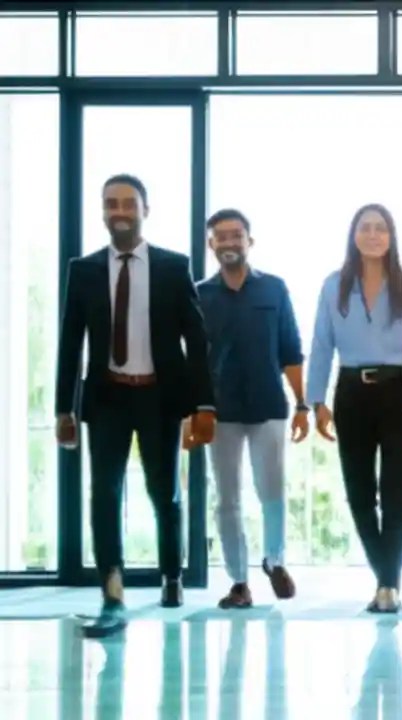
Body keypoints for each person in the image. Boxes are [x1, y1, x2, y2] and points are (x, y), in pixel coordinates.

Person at [55, 174, 217, 638]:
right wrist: (64, 410)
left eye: (128, 203)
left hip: (159, 397)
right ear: (102, 211)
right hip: (106, 398)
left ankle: (172, 575)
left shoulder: (172, 266)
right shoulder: (83, 270)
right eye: (111, 204)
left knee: (163, 492)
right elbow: (70, 343)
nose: (119, 211)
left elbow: (196, 339)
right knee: (103, 493)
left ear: (146, 210)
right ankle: (113, 590)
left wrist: (203, 404)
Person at [197, 208, 306, 609]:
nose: (229, 242)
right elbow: (193, 358)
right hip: (220, 411)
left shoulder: (274, 289)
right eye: (221, 236)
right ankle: (239, 581)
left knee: (272, 490)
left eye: (236, 235)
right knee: (226, 498)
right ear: (211, 245)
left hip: (268, 407)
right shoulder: (200, 295)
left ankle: (275, 561)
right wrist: (193, 411)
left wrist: (302, 404)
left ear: (249, 241)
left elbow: (291, 349)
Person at [308, 203, 402, 614]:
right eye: (365, 228)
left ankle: (389, 584)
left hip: (400, 393)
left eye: (381, 228)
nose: (373, 235)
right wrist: (314, 400)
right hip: (351, 393)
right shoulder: (334, 286)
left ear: (391, 237)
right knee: (359, 492)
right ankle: (384, 575)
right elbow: (321, 344)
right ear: (354, 235)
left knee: (397, 491)